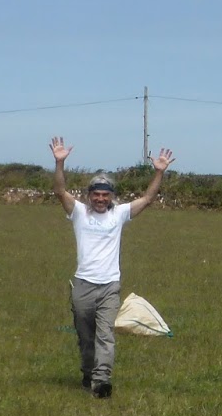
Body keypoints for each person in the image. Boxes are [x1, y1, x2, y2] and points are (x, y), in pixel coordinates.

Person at [49, 137, 175, 397]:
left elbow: (148, 198)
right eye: (96, 194)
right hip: (83, 285)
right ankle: (88, 373)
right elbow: (60, 192)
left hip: (109, 287)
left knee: (105, 334)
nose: (100, 199)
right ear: (89, 195)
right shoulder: (79, 213)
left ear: (112, 197)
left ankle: (102, 381)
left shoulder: (119, 214)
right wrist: (59, 163)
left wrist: (159, 173)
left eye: (105, 195)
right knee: (86, 337)